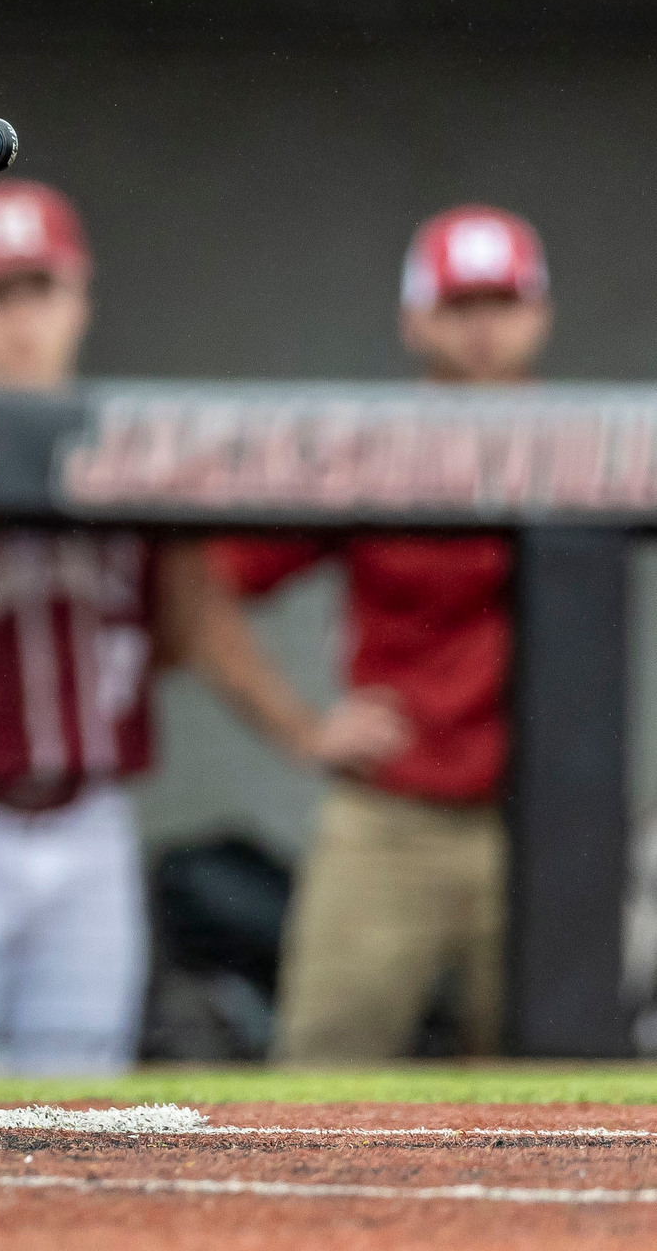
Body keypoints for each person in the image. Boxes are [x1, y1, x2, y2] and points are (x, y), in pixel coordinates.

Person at [0, 179, 394, 1075]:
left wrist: (305, 732)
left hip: (89, 826)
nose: (21, 320)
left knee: (83, 1112)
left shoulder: (131, 448)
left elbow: (194, 624)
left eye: (40, 290)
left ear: (79, 299)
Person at [206, 204, 551, 1062]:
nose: (481, 331)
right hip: (390, 816)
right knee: (319, 1077)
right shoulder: (370, 447)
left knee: (566, 1091)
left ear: (540, 315)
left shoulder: (593, 441)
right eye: (458, 307)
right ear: (414, 319)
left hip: (548, 825)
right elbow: (203, 586)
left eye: (501, 306)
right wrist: (301, 728)